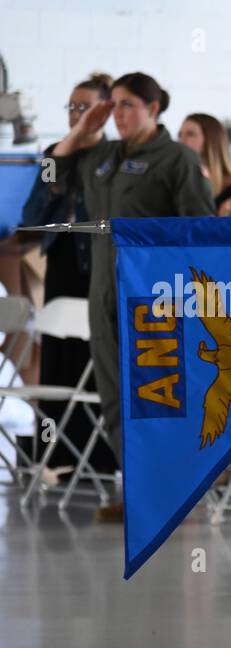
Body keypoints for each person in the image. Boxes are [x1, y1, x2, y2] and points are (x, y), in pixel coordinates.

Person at [49, 72, 215, 522]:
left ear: (154, 108)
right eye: (113, 105)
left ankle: (174, 492)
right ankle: (142, 491)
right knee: (115, 398)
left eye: (127, 105)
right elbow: (51, 176)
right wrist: (81, 131)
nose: (117, 114)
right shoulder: (100, 156)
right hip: (104, 295)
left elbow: (202, 232)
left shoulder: (177, 159)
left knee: (157, 398)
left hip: (154, 301)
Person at [17, 72, 118, 478]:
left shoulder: (114, 156)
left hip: (99, 267)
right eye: (72, 107)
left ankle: (102, 457)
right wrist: (64, 150)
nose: (77, 114)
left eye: (85, 107)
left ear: (104, 111)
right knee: (57, 360)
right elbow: (32, 217)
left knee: (95, 360)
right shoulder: (53, 155)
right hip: (62, 266)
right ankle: (58, 456)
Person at [178, 113, 231, 214]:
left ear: (210, 140)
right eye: (180, 135)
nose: (181, 141)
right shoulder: (181, 182)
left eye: (190, 134)